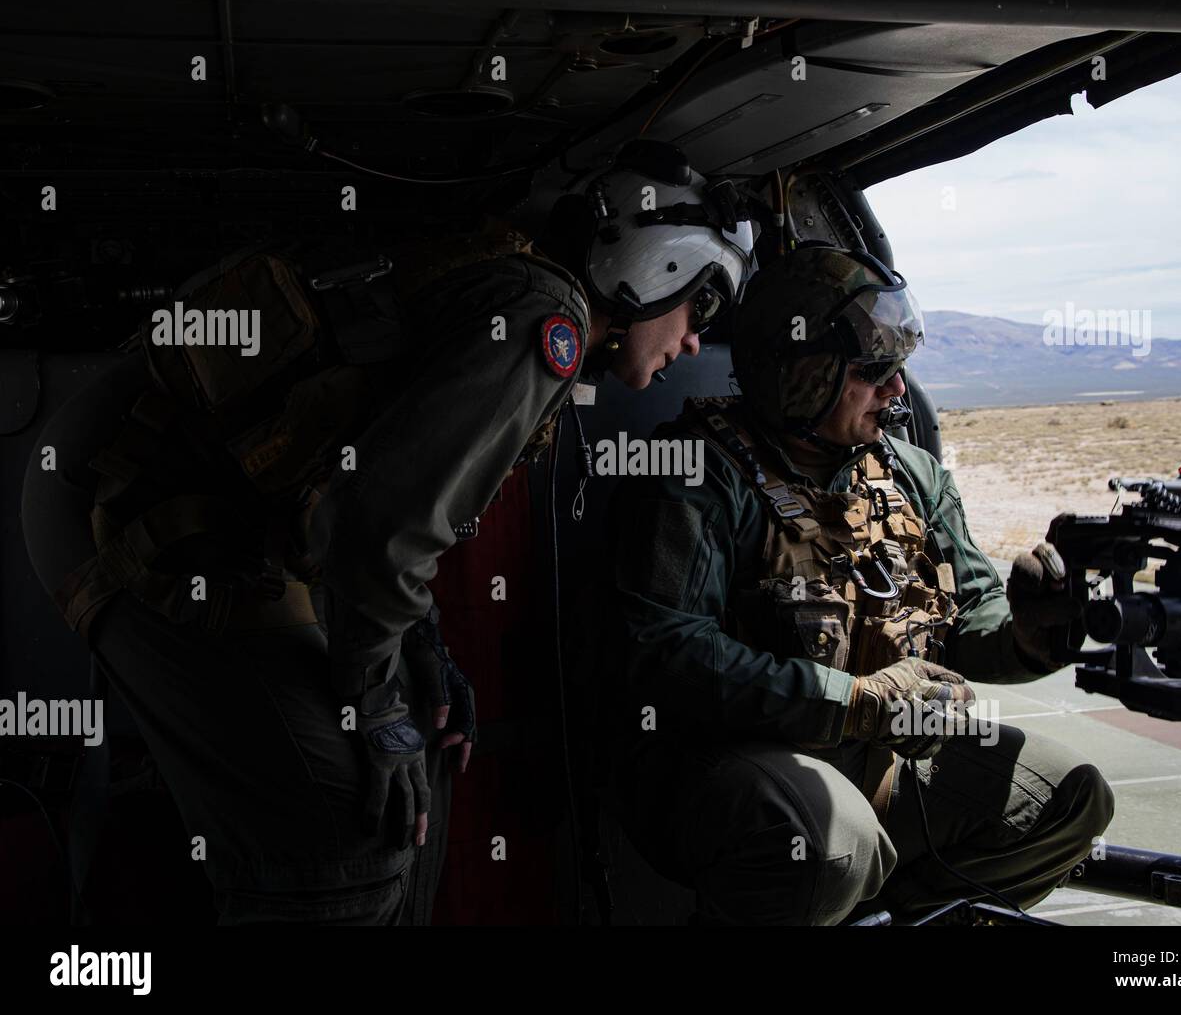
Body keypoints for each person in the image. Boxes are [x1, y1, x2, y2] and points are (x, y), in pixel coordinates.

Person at [21, 139, 754, 924]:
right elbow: (371, 531)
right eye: (700, 307)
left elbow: (379, 507)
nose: (694, 343)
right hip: (127, 500)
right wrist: (374, 703)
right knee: (349, 828)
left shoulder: (521, 287)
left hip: (207, 508)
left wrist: (422, 655)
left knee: (417, 749)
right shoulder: (545, 318)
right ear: (656, 268)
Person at [604, 244, 1114, 925]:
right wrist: (853, 701)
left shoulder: (908, 474)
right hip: (719, 771)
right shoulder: (697, 472)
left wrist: (1027, 636)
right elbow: (666, 651)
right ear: (804, 373)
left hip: (880, 761)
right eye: (875, 372)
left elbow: (970, 621)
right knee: (826, 844)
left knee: (1069, 797)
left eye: (900, 370)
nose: (898, 391)